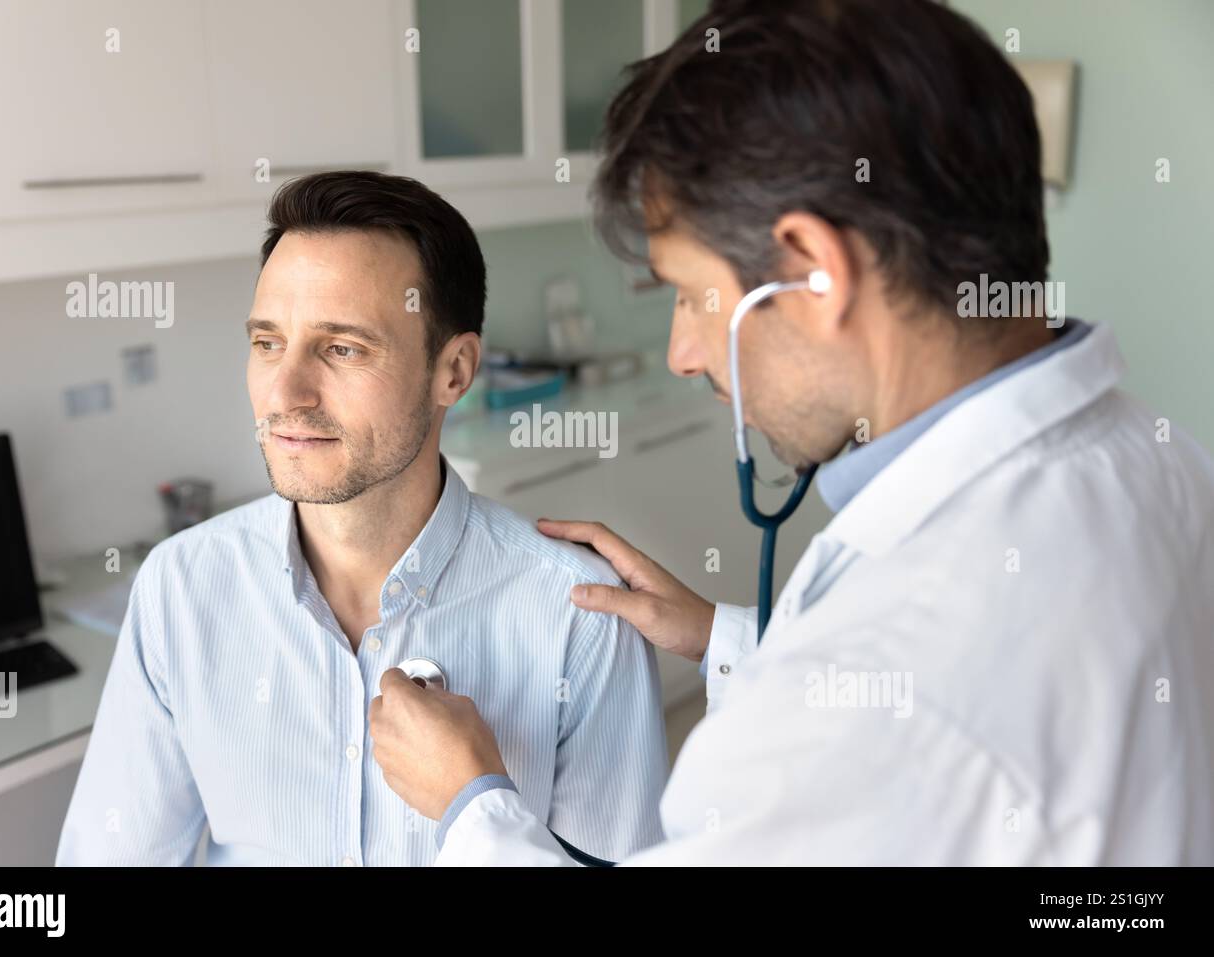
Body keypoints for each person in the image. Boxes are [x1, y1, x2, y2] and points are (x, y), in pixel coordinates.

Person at [368, 0, 1214, 865]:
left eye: (689, 293)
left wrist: (469, 803)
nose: (685, 353)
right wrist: (724, 638)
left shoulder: (895, 685)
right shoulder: (1168, 462)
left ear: (813, 272)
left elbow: (899, 718)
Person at [57, 171, 667, 866]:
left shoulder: (579, 617)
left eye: (342, 348)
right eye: (267, 342)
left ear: (455, 371)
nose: (285, 392)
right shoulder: (181, 586)